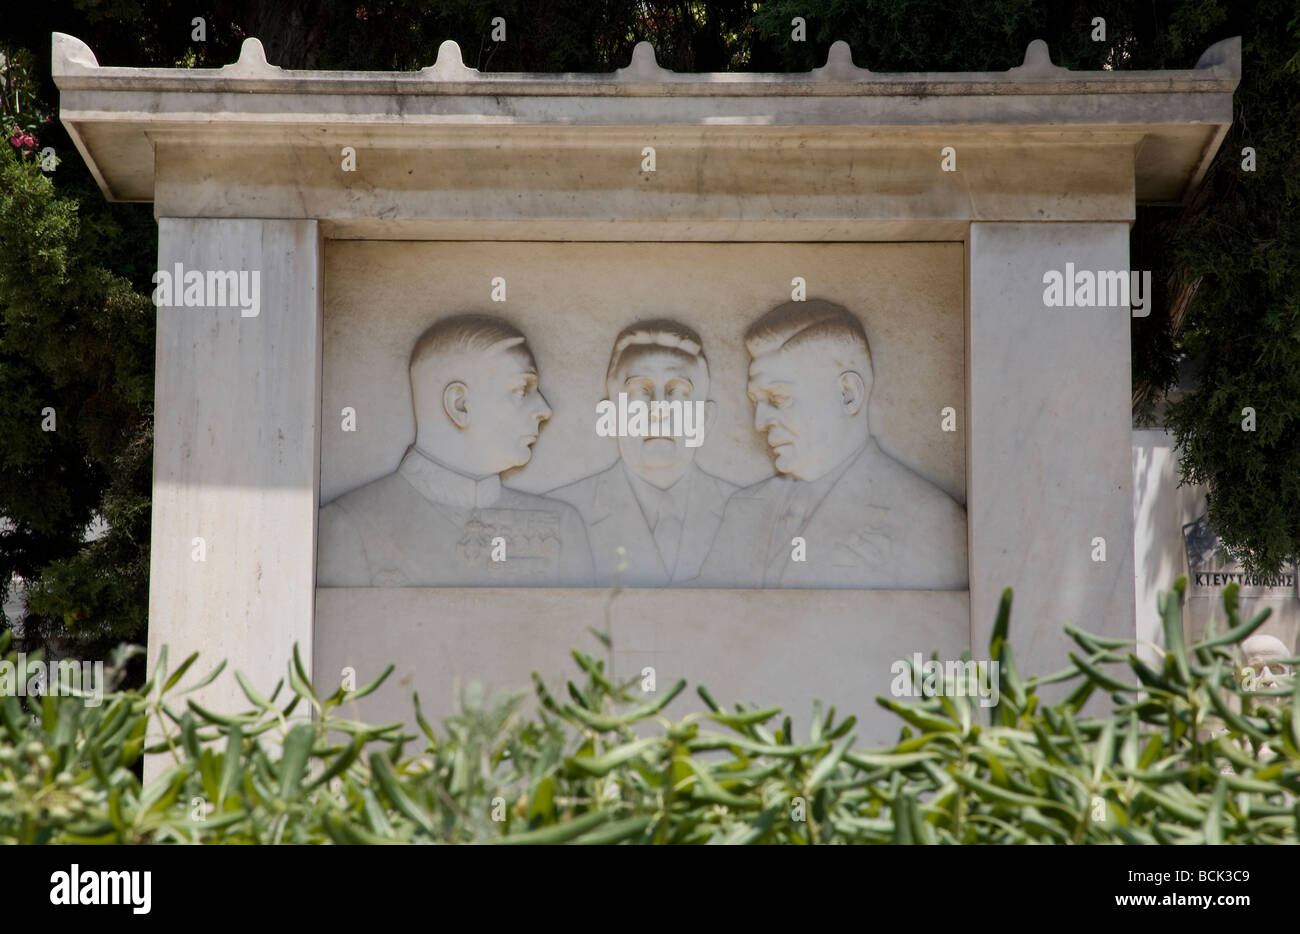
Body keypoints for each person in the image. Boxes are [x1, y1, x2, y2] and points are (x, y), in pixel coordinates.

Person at [700, 300, 966, 589]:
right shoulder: (742, 509)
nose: (760, 422)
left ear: (848, 395)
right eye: (756, 402)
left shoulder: (929, 521)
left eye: (778, 398)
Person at [317, 314, 593, 587]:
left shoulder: (561, 528)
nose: (544, 411)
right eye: (522, 390)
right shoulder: (349, 526)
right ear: (460, 405)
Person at [549, 319, 736, 585]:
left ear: (705, 418)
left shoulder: (748, 513)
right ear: (610, 415)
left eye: (678, 392)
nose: (659, 409)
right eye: (640, 391)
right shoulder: (561, 515)